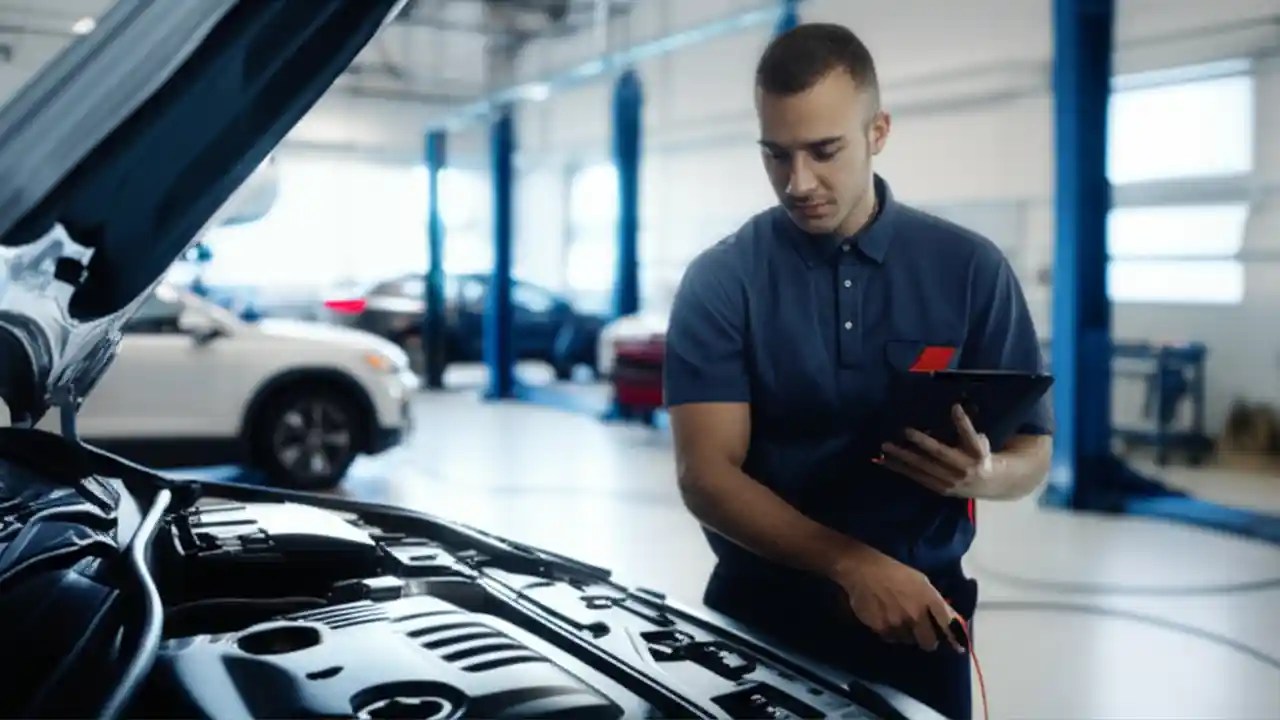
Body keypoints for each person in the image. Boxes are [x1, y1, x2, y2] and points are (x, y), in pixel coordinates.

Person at [663, 22, 1053, 720]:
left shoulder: (970, 271)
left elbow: (1034, 452)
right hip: (760, 615)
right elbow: (706, 475)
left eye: (824, 151)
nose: (798, 182)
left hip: (920, 616)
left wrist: (986, 477)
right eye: (775, 155)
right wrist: (851, 563)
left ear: (878, 132)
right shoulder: (723, 281)